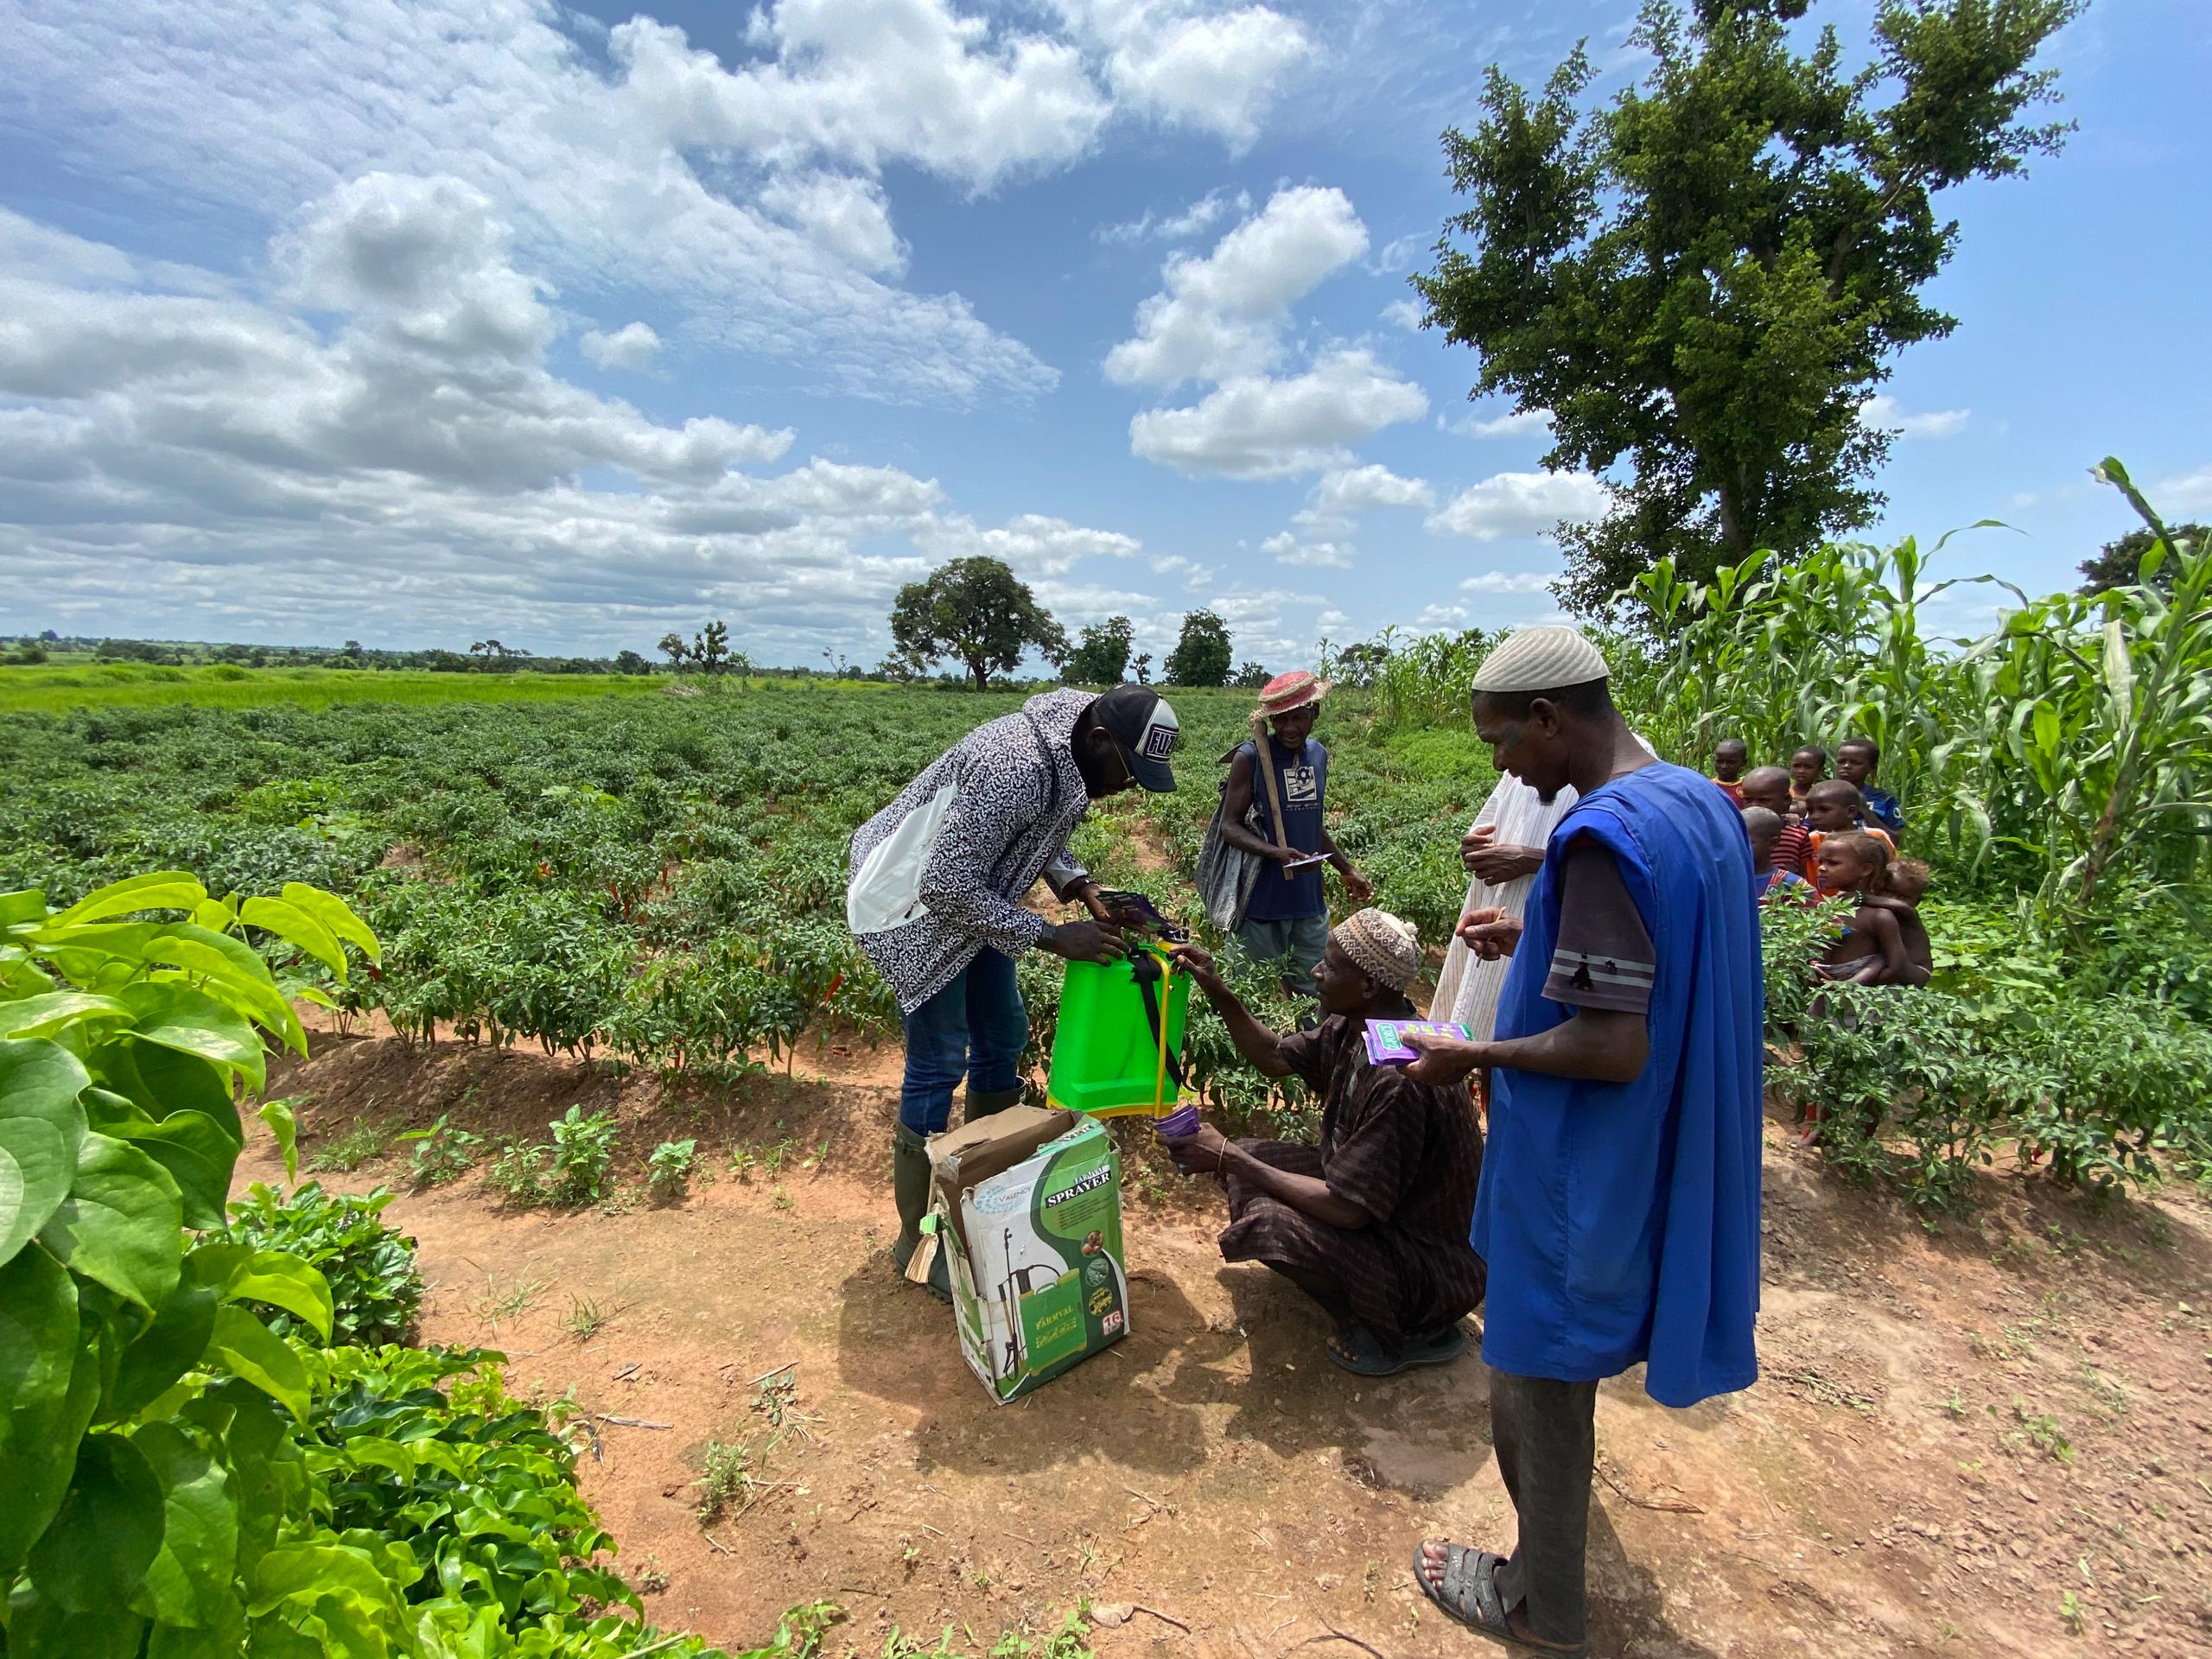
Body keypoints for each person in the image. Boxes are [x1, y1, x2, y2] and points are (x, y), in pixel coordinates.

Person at [1402, 626, 1764, 1659]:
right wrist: (1538, 943)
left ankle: (1541, 1607)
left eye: (1502, 743)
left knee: (1537, 1371)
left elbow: (1608, 1045)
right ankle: (1547, 1580)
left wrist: (1471, 1054)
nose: (1504, 766)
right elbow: (1662, 951)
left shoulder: (1597, 833)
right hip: (1658, 1139)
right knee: (1558, 1358)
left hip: (1582, 1160)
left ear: (1548, 718)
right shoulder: (1694, 801)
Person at [848, 683, 1180, 1299]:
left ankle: (985, 1195)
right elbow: (944, 883)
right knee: (938, 1062)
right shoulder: (1016, 764)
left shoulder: (1072, 749)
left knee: (1002, 1037)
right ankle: (920, 1240)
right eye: (1129, 773)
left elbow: (1037, 831)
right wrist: (1052, 936)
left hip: (977, 899)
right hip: (909, 907)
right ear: (1101, 741)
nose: (1127, 788)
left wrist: (1082, 887)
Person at [1163, 910, 1485, 1376]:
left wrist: (1228, 1156)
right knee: (1248, 1160)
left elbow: (1348, 1211)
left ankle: (1396, 1331)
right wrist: (1216, 986)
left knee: (1268, 1221)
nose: (1316, 971)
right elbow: (1274, 1057)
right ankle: (1362, 1290)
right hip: (1390, 1214)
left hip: (1428, 1267)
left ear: (1369, 985)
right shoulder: (1360, 1025)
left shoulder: (1401, 1079)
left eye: (1331, 966)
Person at [1217, 671, 1373, 999]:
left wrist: (1346, 869)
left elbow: (1311, 823)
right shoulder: (1250, 757)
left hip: (1308, 905)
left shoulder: (1318, 755)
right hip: (1260, 905)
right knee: (1250, 995)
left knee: (1315, 996)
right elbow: (1229, 826)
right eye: (1280, 719)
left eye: (1299, 717)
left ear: (1314, 713)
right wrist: (1276, 852)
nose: (1289, 728)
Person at [1815, 833, 1931, 988]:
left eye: (1833, 863)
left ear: (1866, 869)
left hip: (1914, 972)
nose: (1891, 899)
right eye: (1886, 892)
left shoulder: (1899, 913)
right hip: (1883, 970)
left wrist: (1849, 987)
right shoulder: (1834, 907)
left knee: (1881, 959)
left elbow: (1895, 968)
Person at [1803, 781, 1896, 893]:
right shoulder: (1811, 840)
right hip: (1821, 903)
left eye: (1824, 810)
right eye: (1810, 811)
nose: (1815, 816)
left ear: (1850, 811)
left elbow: (1891, 870)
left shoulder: (1875, 836)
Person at [1739, 766, 1811, 878]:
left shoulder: (1798, 834)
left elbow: (1803, 874)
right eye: (1748, 800)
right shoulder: (1737, 831)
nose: (1754, 806)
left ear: (1786, 800)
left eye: (1763, 800)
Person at [1834, 737, 1904, 842]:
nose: (1846, 766)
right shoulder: (1822, 794)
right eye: (1841, 761)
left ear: (1872, 768)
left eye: (1855, 762)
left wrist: (1865, 810)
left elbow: (1894, 840)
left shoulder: (1884, 798)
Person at [1742, 805, 1808, 904]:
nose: (1739, 846)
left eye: (1747, 842)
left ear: (1772, 843)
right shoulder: (1725, 879)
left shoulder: (1792, 885)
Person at [1788, 744, 1828, 810]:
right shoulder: (1783, 793)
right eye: (1796, 766)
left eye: (1808, 767)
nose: (1801, 771)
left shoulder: (1823, 796)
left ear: (1820, 770)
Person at [1709, 737, 1748, 804]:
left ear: (1743, 763)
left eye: (1731, 762)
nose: (1724, 766)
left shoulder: (1747, 789)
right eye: (1719, 761)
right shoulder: (1707, 786)